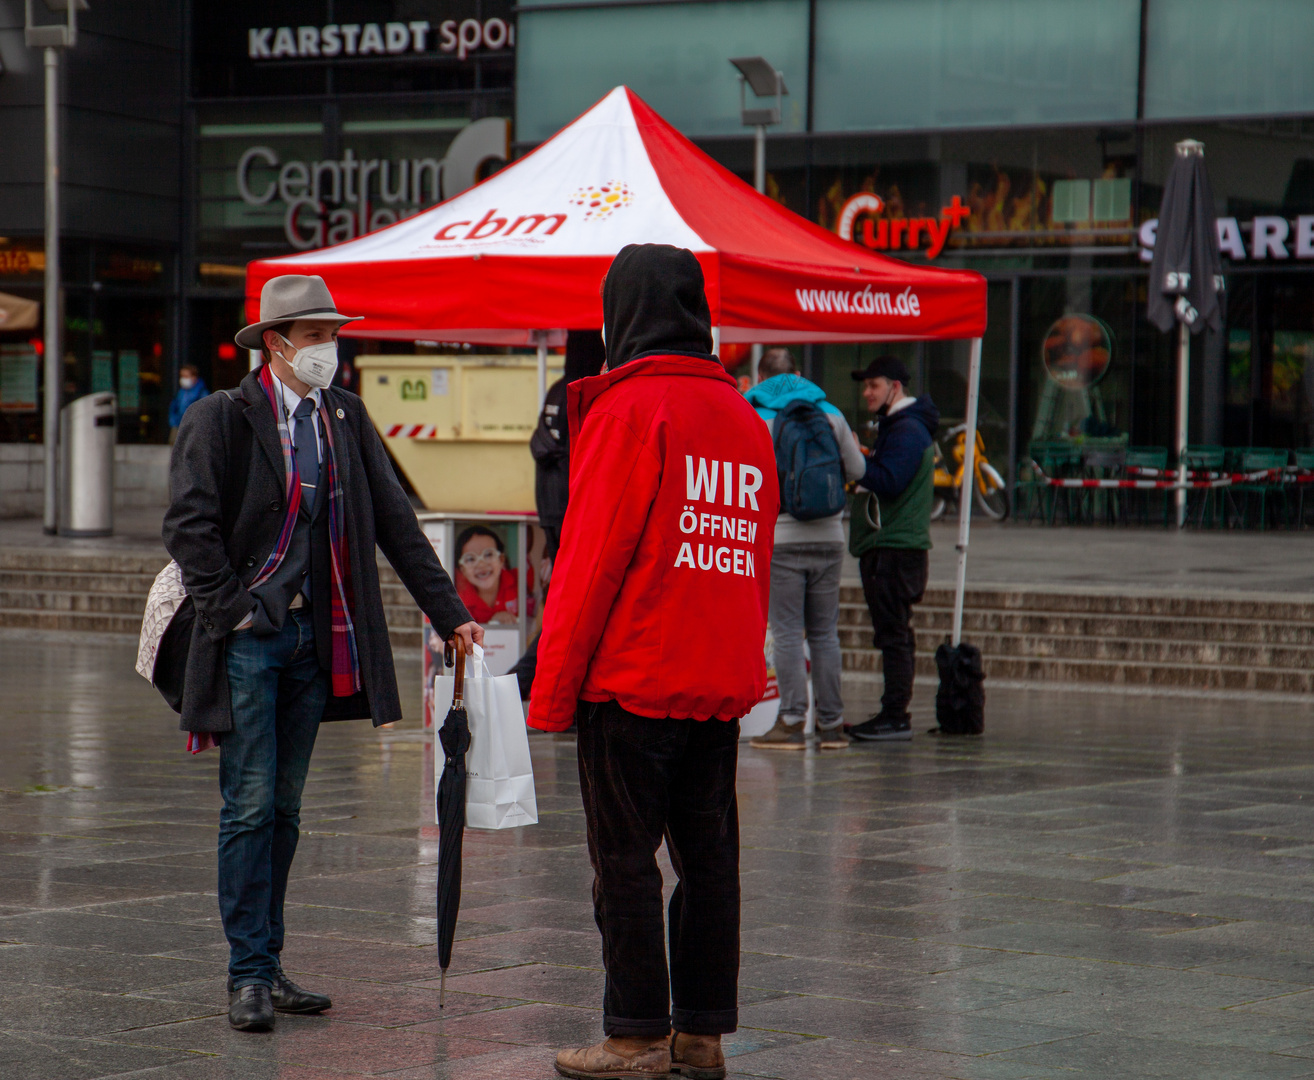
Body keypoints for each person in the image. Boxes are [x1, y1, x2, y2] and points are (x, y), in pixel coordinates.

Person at [163, 274, 482, 1033]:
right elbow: (188, 527)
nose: (328, 349)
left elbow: (396, 523)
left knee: (285, 808)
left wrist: (451, 614)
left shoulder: (344, 415)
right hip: (251, 640)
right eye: (315, 337)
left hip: (318, 639)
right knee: (248, 805)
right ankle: (247, 974)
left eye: (333, 335)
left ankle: (268, 964)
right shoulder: (221, 417)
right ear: (275, 344)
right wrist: (236, 613)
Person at [528, 244, 777, 1080]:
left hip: (633, 678)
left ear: (623, 315)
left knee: (625, 864)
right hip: (717, 682)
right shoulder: (743, 418)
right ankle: (701, 1035)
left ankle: (633, 1034)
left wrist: (551, 695)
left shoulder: (632, 410)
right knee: (709, 863)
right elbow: (750, 558)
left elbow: (589, 564)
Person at [744, 348, 866, 751]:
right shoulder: (830, 413)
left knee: (786, 633)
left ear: (760, 378)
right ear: (797, 373)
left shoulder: (755, 415)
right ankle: (831, 725)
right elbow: (858, 470)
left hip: (781, 538)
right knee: (825, 632)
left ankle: (793, 721)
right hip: (830, 536)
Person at [846, 356, 939, 742]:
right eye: (865, 386)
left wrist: (854, 458)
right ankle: (893, 712)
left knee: (894, 635)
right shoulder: (901, 426)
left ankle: (895, 716)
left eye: (874, 385)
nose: (867, 393)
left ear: (895, 387)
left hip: (894, 549)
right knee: (894, 633)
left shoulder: (907, 429)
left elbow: (890, 480)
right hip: (891, 546)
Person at [511, 330, 606, 700]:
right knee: (566, 614)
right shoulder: (585, 393)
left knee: (561, 610)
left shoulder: (556, 390)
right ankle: (515, 685)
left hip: (552, 513)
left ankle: (524, 687)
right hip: (573, 517)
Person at [454, 524, 532, 625]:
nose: (481, 564)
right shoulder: (459, 602)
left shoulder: (520, 579)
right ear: (462, 569)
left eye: (488, 554)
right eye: (470, 559)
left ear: (501, 560)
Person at [168, 364, 208, 443]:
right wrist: (174, 422)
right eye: (182, 376)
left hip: (193, 429)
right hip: (178, 426)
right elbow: (174, 408)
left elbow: (204, 413)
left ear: (194, 377)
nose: (183, 379)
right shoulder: (181, 392)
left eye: (186, 376)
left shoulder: (202, 393)